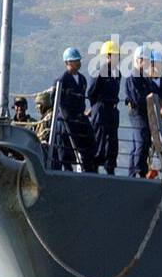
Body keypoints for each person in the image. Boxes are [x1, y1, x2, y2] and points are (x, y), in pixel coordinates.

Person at [54, 47, 98, 172]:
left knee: (89, 142)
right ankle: (67, 170)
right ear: (67, 62)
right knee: (65, 147)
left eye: (78, 60)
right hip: (66, 118)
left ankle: (89, 168)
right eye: (74, 60)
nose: (78, 63)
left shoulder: (82, 79)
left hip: (79, 117)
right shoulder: (62, 80)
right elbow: (55, 100)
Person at [87, 39, 122, 175]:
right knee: (99, 138)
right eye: (115, 56)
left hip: (112, 110)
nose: (118, 59)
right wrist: (95, 107)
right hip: (101, 109)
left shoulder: (117, 74)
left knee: (112, 141)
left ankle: (110, 166)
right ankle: (94, 166)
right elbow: (91, 92)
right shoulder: (100, 72)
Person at [123, 45, 156, 178]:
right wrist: (149, 99)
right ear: (138, 60)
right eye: (146, 60)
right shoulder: (133, 78)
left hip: (145, 113)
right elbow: (138, 98)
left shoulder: (145, 79)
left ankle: (134, 172)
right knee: (142, 140)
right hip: (137, 113)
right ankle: (139, 171)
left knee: (138, 143)